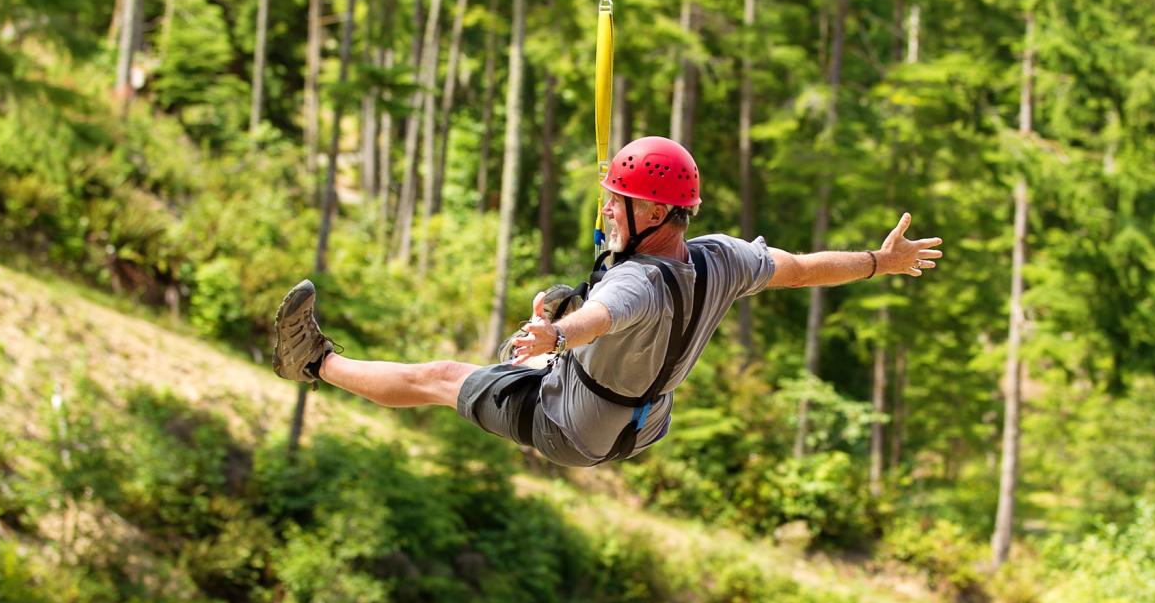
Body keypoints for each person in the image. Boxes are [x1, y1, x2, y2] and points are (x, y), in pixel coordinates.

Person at [272, 136, 942, 467]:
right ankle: (542, 343)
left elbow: (605, 314)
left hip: (573, 428)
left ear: (651, 207)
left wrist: (557, 334)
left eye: (616, 202)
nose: (606, 211)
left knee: (438, 377)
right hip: (637, 422)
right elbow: (798, 269)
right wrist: (881, 262)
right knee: (550, 328)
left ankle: (313, 361)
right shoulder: (723, 257)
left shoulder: (635, 283)